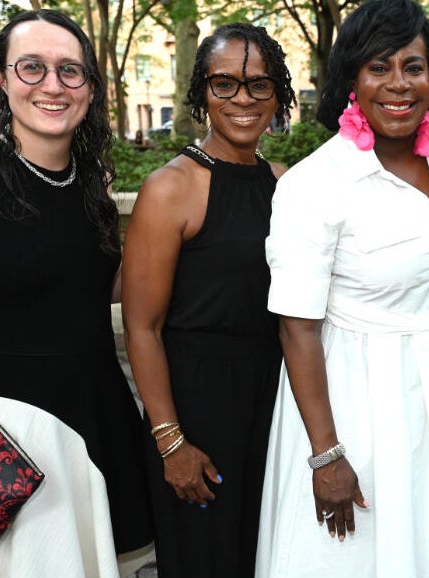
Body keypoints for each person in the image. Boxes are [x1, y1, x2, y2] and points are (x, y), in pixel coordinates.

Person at [0, 9, 153, 576]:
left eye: (71, 71)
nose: (52, 86)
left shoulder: (91, 184)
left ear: (90, 86)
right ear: (1, 80)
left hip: (96, 429)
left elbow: (93, 287)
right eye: (32, 67)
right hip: (8, 450)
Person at [255, 0, 429, 575]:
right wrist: (327, 455)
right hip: (355, 406)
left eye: (414, 66)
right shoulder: (315, 184)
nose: (398, 84)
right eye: (378, 68)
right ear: (352, 81)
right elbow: (296, 325)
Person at [121, 23, 294, 577]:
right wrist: (172, 443)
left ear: (278, 94)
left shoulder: (285, 183)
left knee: (262, 557)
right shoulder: (170, 188)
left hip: (273, 404)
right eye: (225, 84)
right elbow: (141, 327)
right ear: (201, 94)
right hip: (197, 409)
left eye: (259, 85)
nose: (243, 99)